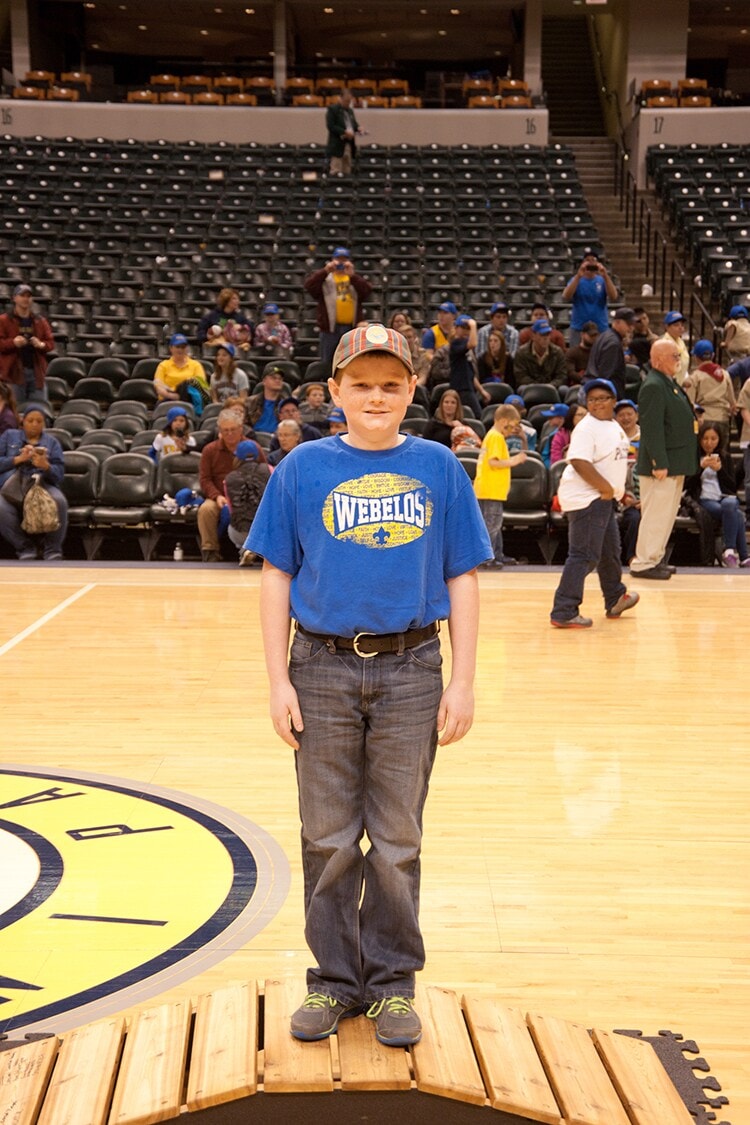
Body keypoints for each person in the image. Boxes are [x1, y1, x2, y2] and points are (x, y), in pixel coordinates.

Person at [245, 323, 491, 1048]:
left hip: (413, 668)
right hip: (319, 666)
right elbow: (275, 576)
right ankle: (332, 981)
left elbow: (463, 576)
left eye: (391, 383)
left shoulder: (441, 469)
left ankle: (389, 985)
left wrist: (465, 678)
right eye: (362, 384)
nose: (376, 396)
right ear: (336, 392)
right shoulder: (301, 468)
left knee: (395, 837)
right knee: (326, 836)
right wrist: (275, 680)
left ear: (413, 389)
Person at [550, 379, 639, 628]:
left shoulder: (613, 426)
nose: (597, 403)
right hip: (587, 499)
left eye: (602, 398)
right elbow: (579, 462)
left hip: (604, 498)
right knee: (584, 555)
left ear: (613, 400)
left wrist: (620, 493)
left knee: (610, 552)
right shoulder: (587, 428)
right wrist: (605, 488)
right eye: (592, 400)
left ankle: (615, 598)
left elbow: (613, 464)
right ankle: (564, 609)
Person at [628, 339, 699, 580]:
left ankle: (655, 559)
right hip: (662, 464)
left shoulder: (668, 383)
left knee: (666, 515)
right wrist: (660, 462)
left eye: (678, 356)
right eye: (674, 356)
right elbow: (652, 428)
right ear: (658, 360)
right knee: (656, 515)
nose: (678, 360)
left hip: (675, 460)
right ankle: (643, 563)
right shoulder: (653, 386)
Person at [0, 403, 67, 560]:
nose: (34, 424)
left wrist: (45, 466)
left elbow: (59, 475)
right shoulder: (9, 436)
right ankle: (24, 547)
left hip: (42, 484)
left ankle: (53, 549)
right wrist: (17, 459)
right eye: (30, 420)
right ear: (23, 421)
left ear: (43, 423)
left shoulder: (52, 443)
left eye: (39, 421)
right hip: (12, 484)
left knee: (60, 501)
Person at [685, 421, 749, 568]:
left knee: (730, 504)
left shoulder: (725, 457)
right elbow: (686, 484)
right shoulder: (693, 457)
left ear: (719, 439)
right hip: (703, 500)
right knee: (736, 514)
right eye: (705, 438)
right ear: (699, 439)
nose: (709, 443)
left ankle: (730, 552)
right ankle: (740, 555)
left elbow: (732, 486)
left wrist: (720, 470)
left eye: (713, 439)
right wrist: (700, 468)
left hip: (723, 498)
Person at [473, 403, 527, 567]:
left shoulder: (492, 435)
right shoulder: (496, 437)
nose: (511, 430)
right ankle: (486, 558)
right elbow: (494, 462)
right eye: (511, 426)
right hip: (491, 490)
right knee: (492, 525)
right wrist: (515, 460)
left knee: (494, 523)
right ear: (503, 420)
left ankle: (497, 554)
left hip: (487, 489)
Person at [304, 248, 372, 367]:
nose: (341, 263)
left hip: (351, 328)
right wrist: (325, 271)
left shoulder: (353, 279)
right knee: (327, 362)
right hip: (330, 329)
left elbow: (367, 292)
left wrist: (353, 276)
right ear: (332, 261)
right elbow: (309, 286)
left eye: (344, 260)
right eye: (338, 260)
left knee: (350, 361)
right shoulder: (326, 279)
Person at [197, 408, 246, 562]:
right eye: (225, 430)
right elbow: (205, 479)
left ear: (241, 429)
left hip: (246, 498)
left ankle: (251, 551)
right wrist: (216, 496)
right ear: (220, 431)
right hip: (218, 496)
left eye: (233, 430)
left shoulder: (252, 447)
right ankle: (210, 551)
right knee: (206, 510)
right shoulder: (209, 450)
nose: (229, 433)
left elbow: (263, 473)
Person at [0, 284, 55, 406]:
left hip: (36, 374)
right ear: (14, 298)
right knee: (14, 410)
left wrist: (41, 344)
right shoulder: (3, 320)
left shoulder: (40, 321)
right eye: (22, 295)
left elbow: (50, 343)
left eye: (28, 296)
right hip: (13, 374)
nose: (26, 299)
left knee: (39, 410)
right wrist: (13, 343)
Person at [223, 438, 270, 563]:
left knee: (229, 518)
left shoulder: (229, 479)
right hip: (268, 531)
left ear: (237, 457)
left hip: (241, 532)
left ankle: (245, 548)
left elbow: (232, 510)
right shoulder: (270, 469)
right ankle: (266, 552)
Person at [683, 339, 736, 442]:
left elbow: (690, 403)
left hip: (703, 420)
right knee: (722, 454)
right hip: (722, 419)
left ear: (696, 358)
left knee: (703, 455)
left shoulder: (694, 377)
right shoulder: (725, 375)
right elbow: (733, 403)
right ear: (713, 355)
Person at [561, 250, 619, 343]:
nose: (591, 262)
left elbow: (614, 296)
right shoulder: (575, 280)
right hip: (579, 327)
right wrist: (578, 276)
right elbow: (566, 296)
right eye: (588, 260)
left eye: (593, 260)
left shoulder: (602, 281)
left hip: (600, 327)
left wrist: (605, 275)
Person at [584, 307, 635, 400]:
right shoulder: (613, 343)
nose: (631, 328)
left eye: (632, 324)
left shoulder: (605, 336)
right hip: (600, 394)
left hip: (593, 389)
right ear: (617, 322)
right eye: (628, 324)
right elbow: (605, 377)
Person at [615, 399, 642, 565]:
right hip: (618, 495)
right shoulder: (612, 438)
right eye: (621, 415)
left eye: (629, 414)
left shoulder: (648, 437)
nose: (625, 418)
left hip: (643, 497)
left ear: (637, 416)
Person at [449, 315, 490, 418]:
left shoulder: (466, 348)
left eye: (467, 329)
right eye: (463, 328)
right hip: (460, 388)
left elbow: (471, 374)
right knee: (478, 416)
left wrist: (482, 391)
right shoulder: (456, 343)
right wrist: (473, 325)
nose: (466, 331)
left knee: (474, 416)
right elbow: (473, 343)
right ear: (456, 328)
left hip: (468, 387)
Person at [154, 334, 210, 403]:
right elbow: (158, 386)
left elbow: (200, 386)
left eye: (183, 347)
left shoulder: (196, 365)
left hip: (190, 401)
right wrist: (173, 396)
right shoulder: (163, 365)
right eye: (177, 347)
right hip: (167, 400)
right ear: (171, 348)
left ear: (187, 348)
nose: (180, 349)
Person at [513, 319, 567, 388]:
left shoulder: (557, 352)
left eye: (547, 334)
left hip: (552, 389)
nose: (545, 338)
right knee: (522, 388)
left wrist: (550, 386)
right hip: (530, 389)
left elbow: (562, 376)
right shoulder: (521, 353)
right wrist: (537, 386)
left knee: (563, 389)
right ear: (533, 336)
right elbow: (521, 376)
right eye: (542, 335)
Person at [326, 89, 363, 176]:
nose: (348, 103)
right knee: (336, 170)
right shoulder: (333, 110)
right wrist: (344, 132)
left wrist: (358, 128)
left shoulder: (350, 111)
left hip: (348, 145)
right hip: (337, 145)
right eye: (346, 101)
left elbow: (353, 123)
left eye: (349, 101)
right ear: (340, 99)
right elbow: (331, 126)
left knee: (347, 169)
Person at [245, 365, 286, 433]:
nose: (278, 380)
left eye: (280, 379)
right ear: (264, 381)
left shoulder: (285, 404)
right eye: (273, 378)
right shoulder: (251, 402)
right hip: (254, 437)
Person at [657, 311, 690, 382]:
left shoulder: (680, 342)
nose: (680, 327)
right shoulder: (663, 343)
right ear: (667, 327)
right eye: (676, 325)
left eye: (682, 325)